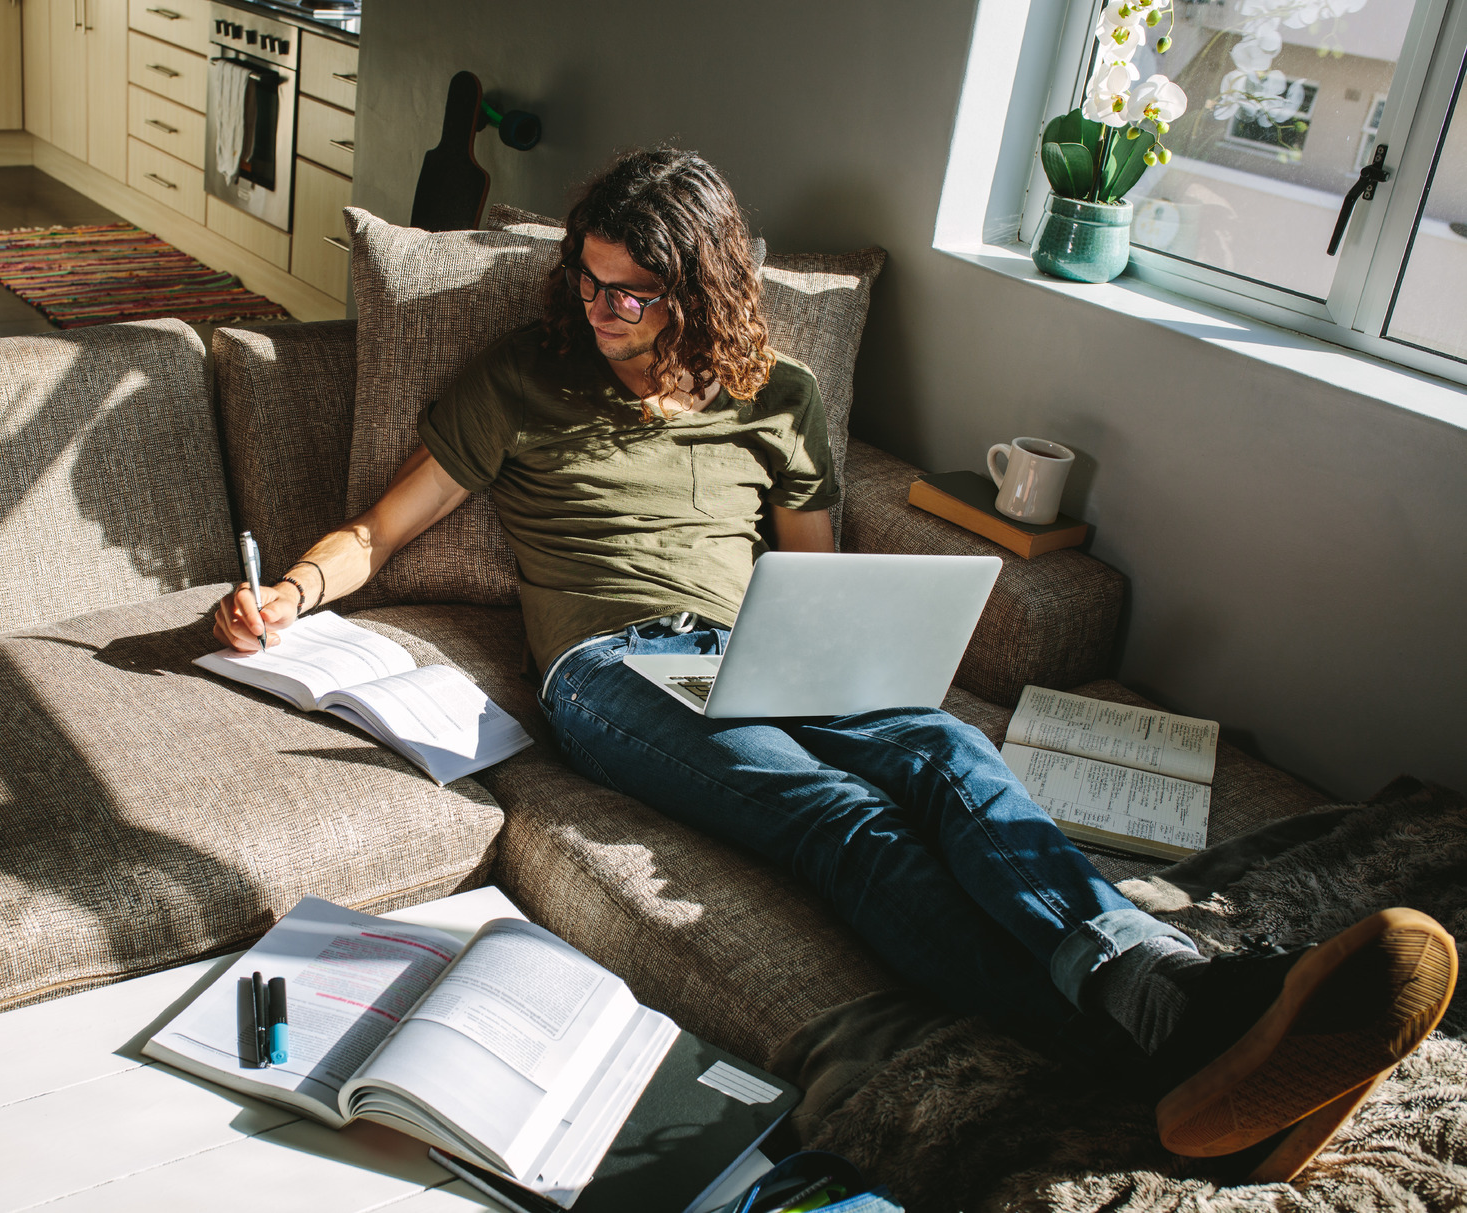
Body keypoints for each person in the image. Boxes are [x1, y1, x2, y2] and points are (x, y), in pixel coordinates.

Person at [212, 147, 1455, 1180]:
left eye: (632, 292)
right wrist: (290, 591)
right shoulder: (526, 382)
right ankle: (1171, 1043)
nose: (601, 312)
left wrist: (846, 649)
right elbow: (380, 529)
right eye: (588, 284)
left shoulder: (777, 394)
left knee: (944, 746)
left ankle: (1167, 997)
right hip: (611, 670)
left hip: (760, 642)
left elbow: (812, 575)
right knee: (840, 816)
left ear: (700, 286)